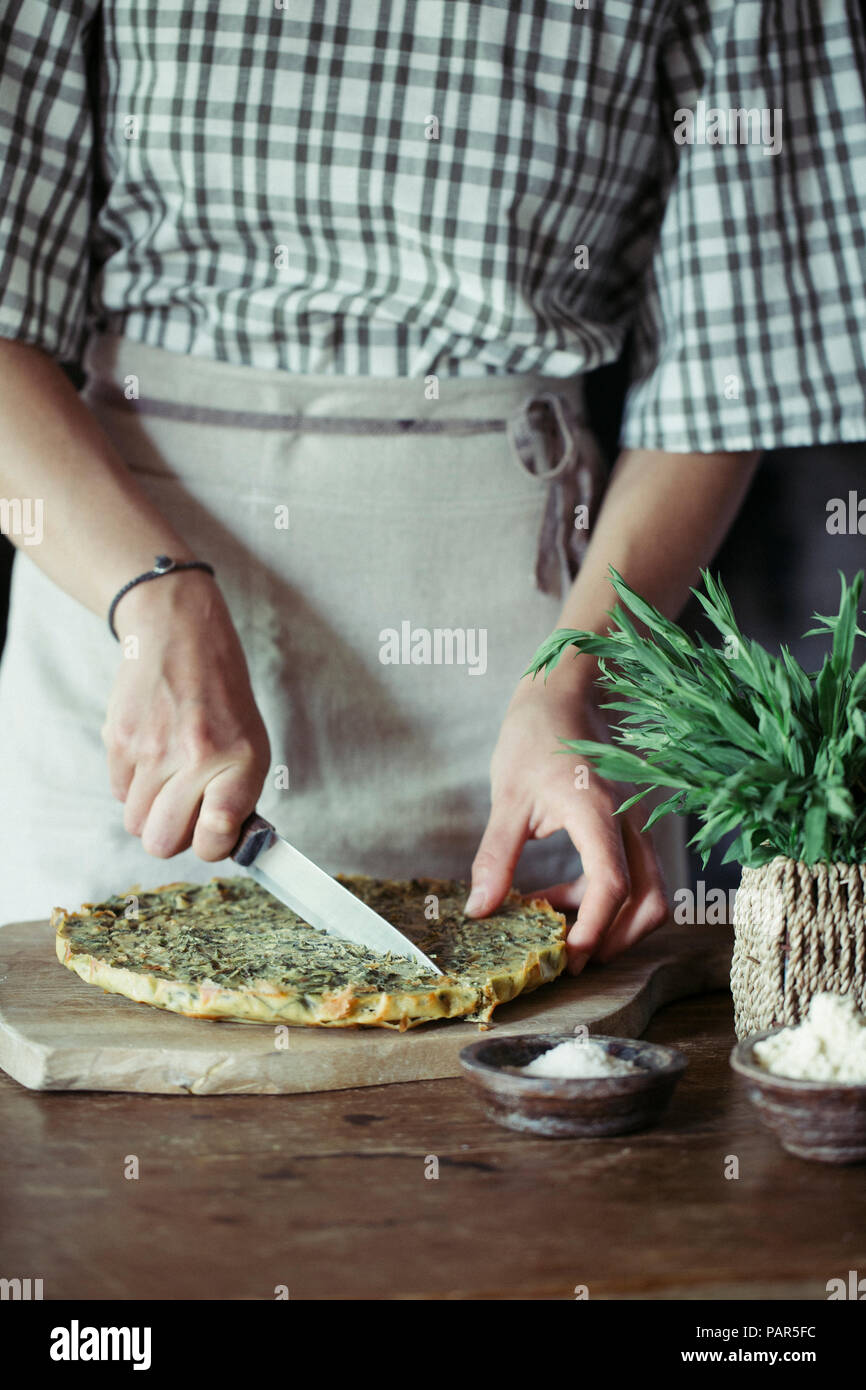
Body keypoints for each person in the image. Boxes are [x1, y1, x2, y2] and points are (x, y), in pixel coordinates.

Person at [0, 2, 862, 979]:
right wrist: (152, 600)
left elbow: (722, 375)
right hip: (129, 660)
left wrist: (572, 676)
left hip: (522, 700)